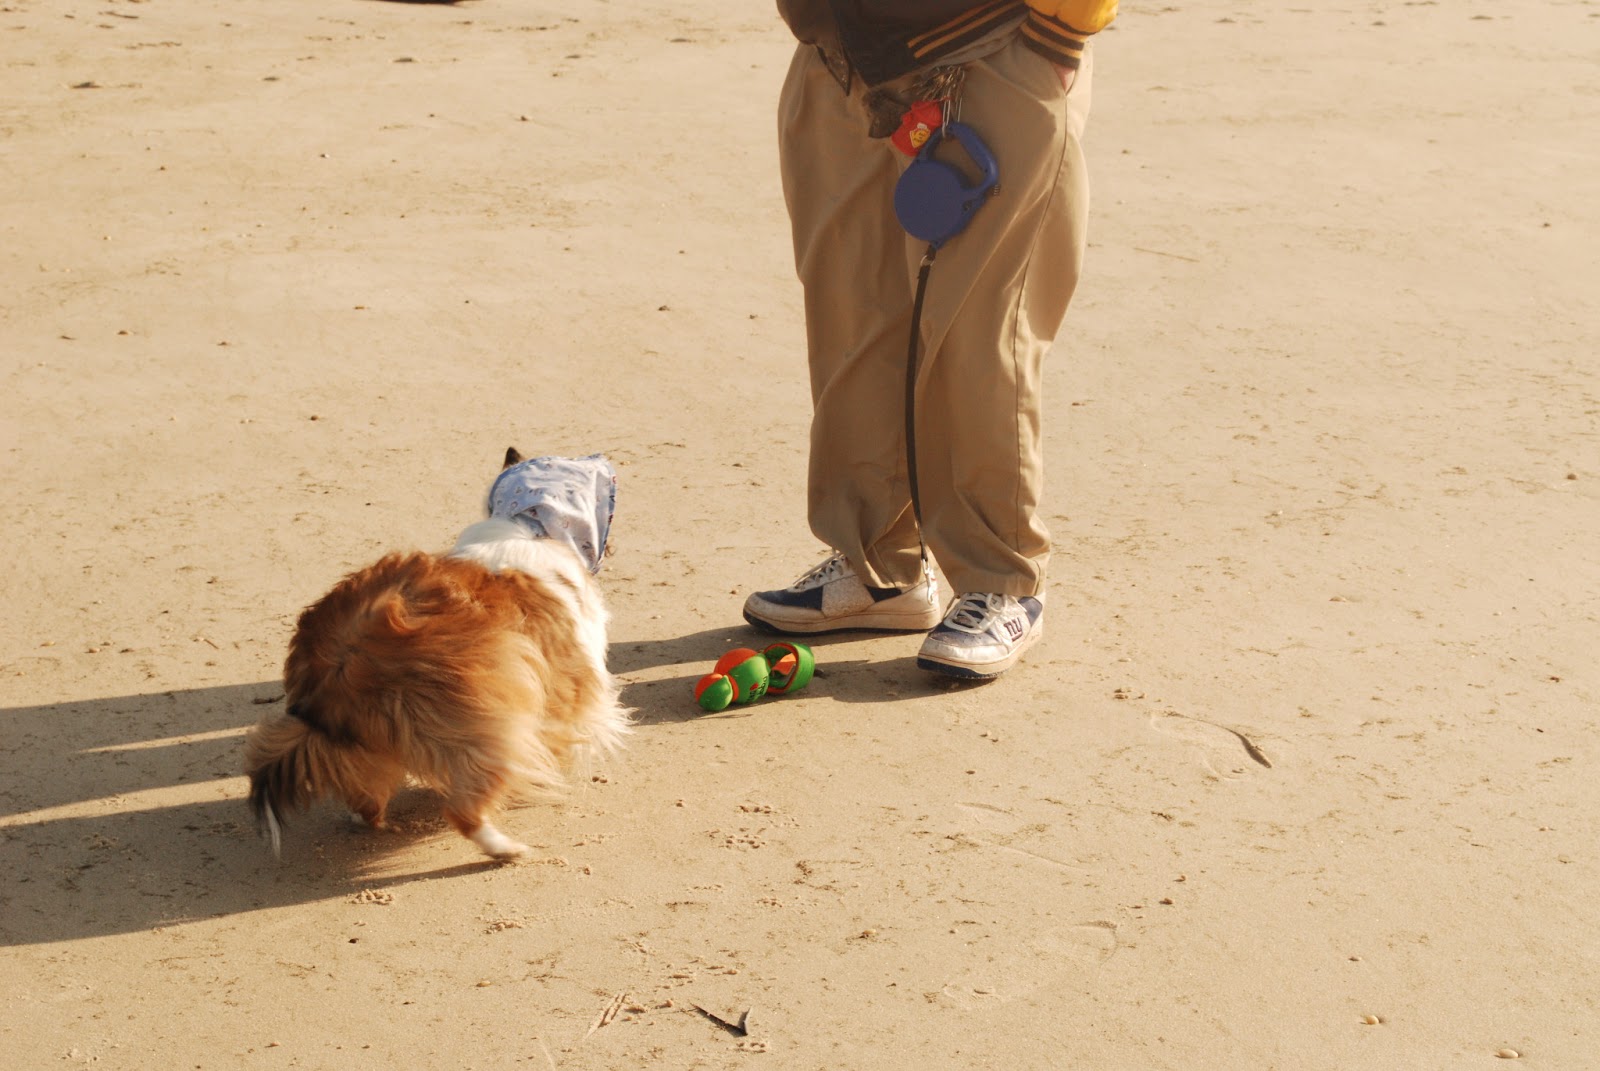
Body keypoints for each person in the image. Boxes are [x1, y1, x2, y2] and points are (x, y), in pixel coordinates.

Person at [743, 1, 1117, 679]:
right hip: (838, 48)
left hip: (990, 40)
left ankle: (1001, 581)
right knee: (851, 311)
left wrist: (1060, 35)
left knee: (980, 332)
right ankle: (878, 564)